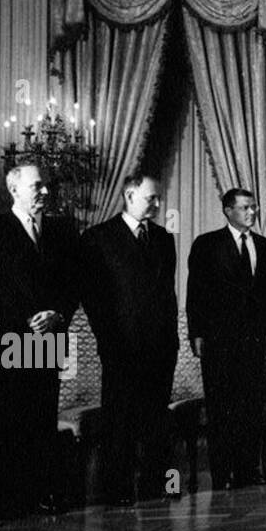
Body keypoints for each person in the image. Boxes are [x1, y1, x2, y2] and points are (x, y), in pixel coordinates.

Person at [0, 164, 79, 520]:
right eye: (37, 186)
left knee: (41, 417)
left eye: (46, 186)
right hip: (5, 337)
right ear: (14, 189)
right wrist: (29, 319)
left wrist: (57, 315)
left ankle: (43, 494)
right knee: (9, 420)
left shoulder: (61, 232)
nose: (45, 192)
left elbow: (72, 284)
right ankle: (12, 503)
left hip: (48, 333)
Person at [79, 171, 179, 505]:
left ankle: (157, 485)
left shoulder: (165, 239)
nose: (157, 203)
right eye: (151, 197)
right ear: (130, 195)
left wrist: (170, 339)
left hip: (161, 348)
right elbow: (93, 298)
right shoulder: (99, 237)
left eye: (158, 198)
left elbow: (167, 295)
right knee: (119, 421)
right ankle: (117, 490)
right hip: (121, 348)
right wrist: (109, 340)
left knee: (156, 420)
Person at [186, 188, 266, 490]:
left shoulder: (265, 247)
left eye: (254, 207)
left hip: (254, 341)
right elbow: (195, 293)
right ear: (227, 210)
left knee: (252, 407)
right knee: (222, 408)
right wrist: (197, 333)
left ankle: (248, 471)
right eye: (244, 208)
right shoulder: (207, 244)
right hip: (219, 340)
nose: (252, 213)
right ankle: (222, 473)